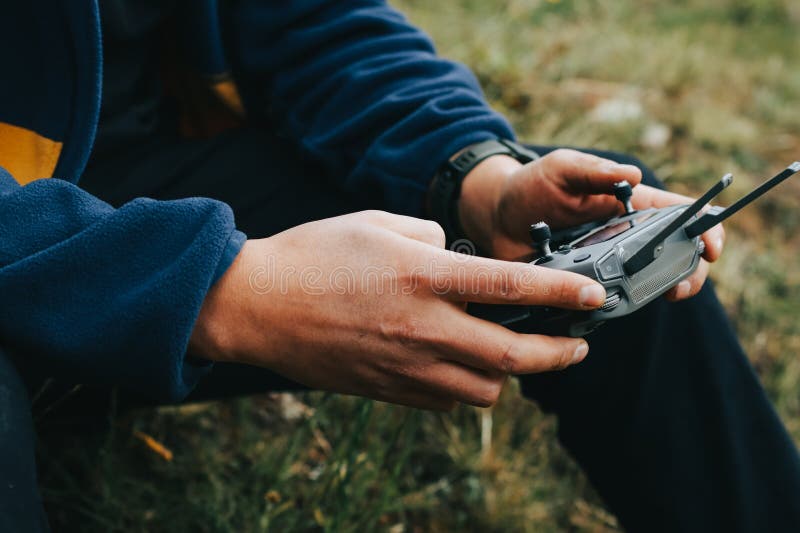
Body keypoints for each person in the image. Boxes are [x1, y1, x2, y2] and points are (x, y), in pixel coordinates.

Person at [0, 1, 798, 531]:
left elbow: (315, 21)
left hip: (137, 181)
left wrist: (474, 177)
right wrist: (223, 291)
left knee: (594, 225)